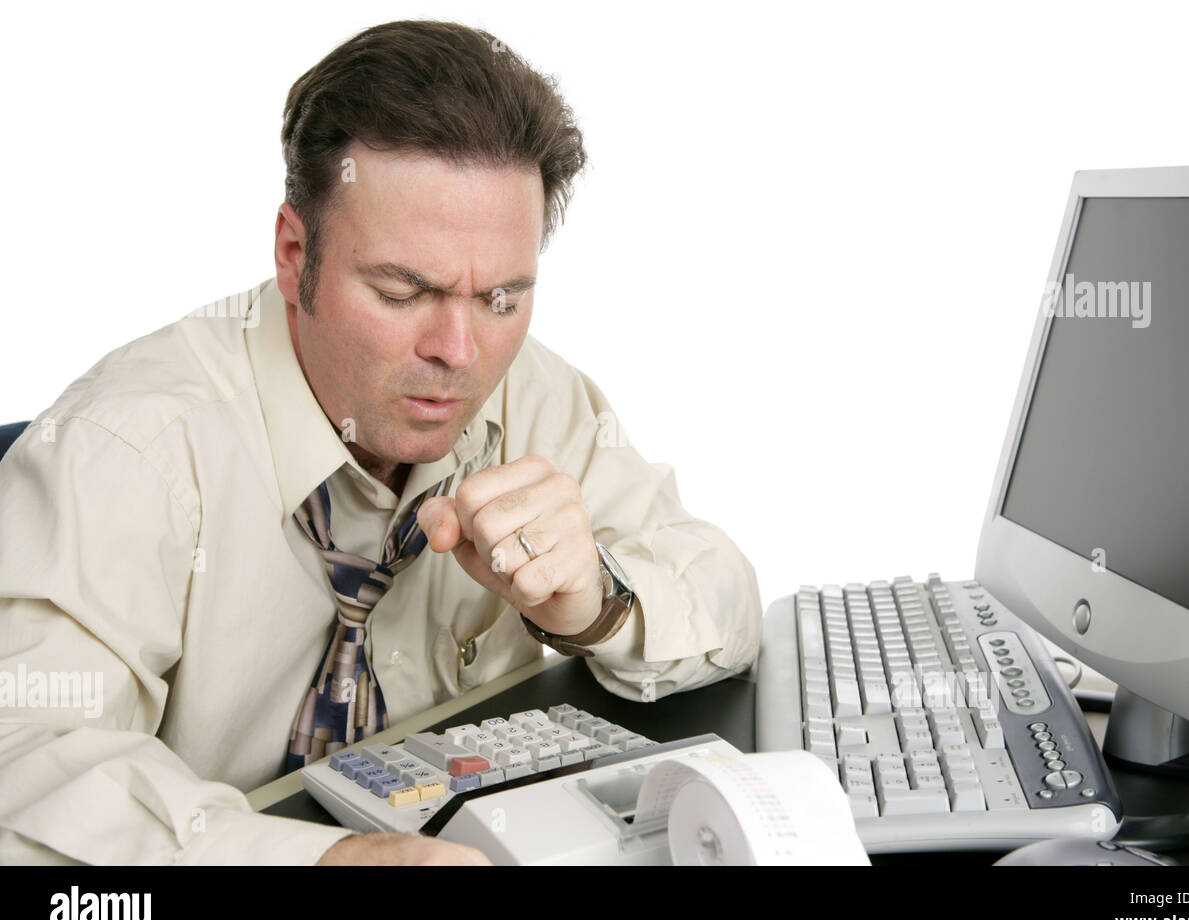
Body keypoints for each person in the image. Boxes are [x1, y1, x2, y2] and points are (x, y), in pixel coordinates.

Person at [0, 19, 761, 865]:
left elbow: (727, 599)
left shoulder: (534, 393)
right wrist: (328, 863)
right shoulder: (126, 451)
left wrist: (598, 604)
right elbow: (24, 761)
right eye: (403, 292)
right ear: (295, 254)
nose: (460, 353)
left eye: (501, 299)